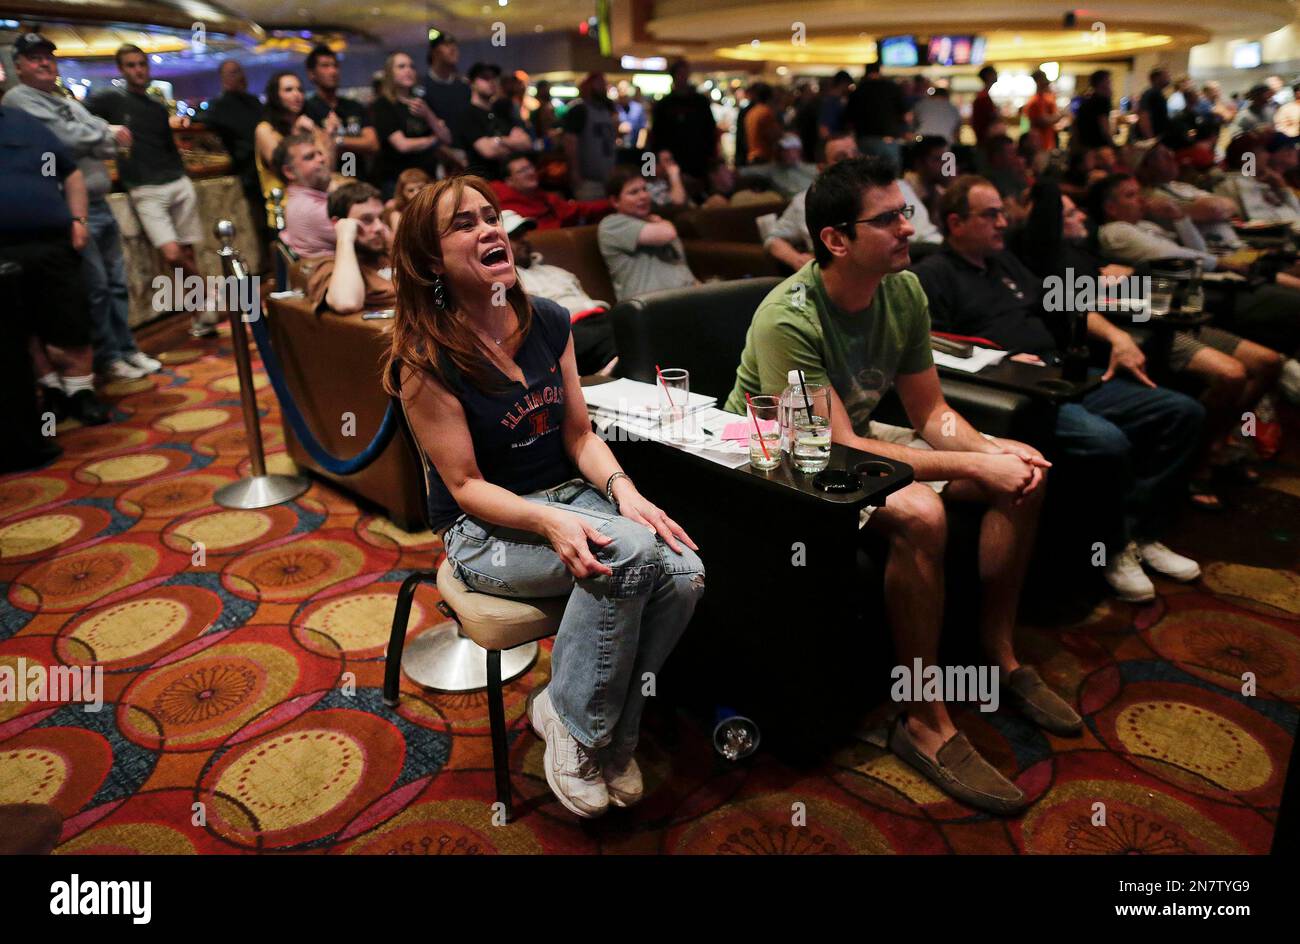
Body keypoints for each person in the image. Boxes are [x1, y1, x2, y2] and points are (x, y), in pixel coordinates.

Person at [725, 157, 1069, 814]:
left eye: (906, 212)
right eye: (889, 219)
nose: (909, 228)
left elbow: (929, 414)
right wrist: (974, 464)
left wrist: (991, 451)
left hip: (842, 437)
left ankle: (999, 655)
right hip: (775, 461)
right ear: (836, 239)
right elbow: (838, 447)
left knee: (1021, 470)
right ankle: (922, 720)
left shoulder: (902, 290)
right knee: (920, 514)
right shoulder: (788, 317)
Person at [385, 175, 704, 818]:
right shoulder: (424, 358)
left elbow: (580, 435)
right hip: (484, 530)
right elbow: (465, 486)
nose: (490, 229)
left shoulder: (547, 319)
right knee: (632, 555)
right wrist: (551, 521)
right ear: (429, 262)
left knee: (687, 573)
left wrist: (625, 491)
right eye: (464, 225)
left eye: (491, 216)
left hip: (564, 495)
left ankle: (600, 725)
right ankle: (578, 726)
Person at [915, 176, 1209, 601]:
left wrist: (1118, 338)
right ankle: (1112, 548)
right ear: (956, 223)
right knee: (1106, 442)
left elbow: (1065, 301)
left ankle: (1143, 533)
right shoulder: (933, 275)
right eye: (990, 214)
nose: (1003, 221)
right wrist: (1004, 363)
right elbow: (937, 354)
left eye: (1002, 211)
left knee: (1181, 412)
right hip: (1018, 395)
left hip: (1064, 376)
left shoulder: (1005, 262)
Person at [6, 32, 160, 381]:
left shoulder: (62, 98)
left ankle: (126, 349)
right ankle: (108, 357)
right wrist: (103, 134)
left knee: (116, 284)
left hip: (99, 202)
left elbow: (107, 146)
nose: (45, 62)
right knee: (97, 288)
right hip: (72, 209)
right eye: (34, 58)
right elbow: (67, 139)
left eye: (48, 56)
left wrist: (99, 136)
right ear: (18, 66)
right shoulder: (19, 100)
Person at [89, 44, 214, 339]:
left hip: (176, 181)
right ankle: (213, 294)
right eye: (131, 65)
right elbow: (75, 116)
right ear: (121, 69)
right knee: (172, 254)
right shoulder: (109, 99)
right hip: (144, 188)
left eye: (142, 64)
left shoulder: (157, 107)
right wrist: (109, 131)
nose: (138, 70)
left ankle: (202, 317)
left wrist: (182, 173)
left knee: (188, 252)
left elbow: (168, 146)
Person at [0, 102, 109, 429]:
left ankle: (81, 391)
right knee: (23, 325)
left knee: (69, 317)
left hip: (52, 241)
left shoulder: (24, 120)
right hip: (3, 250)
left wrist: (78, 218)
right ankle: (52, 390)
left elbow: (70, 172)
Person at [767, 133, 939, 270]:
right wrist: (797, 259)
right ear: (822, 168)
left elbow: (928, 236)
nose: (852, 161)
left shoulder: (894, 187)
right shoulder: (804, 201)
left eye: (855, 154)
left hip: (917, 261)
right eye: (841, 157)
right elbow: (773, 238)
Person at [504, 210, 618, 376]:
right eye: (514, 237)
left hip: (602, 317)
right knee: (625, 340)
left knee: (644, 324)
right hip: (569, 329)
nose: (524, 241)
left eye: (524, 235)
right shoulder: (508, 282)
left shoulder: (555, 271)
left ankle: (614, 367)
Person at [598, 166, 698, 302]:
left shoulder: (653, 222)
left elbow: (680, 266)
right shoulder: (612, 225)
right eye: (633, 192)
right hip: (649, 306)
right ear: (615, 201)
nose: (643, 196)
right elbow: (668, 233)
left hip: (685, 297)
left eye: (645, 189)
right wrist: (659, 222)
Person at [252, 71, 334, 232]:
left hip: (316, 204)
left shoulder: (308, 126)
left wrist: (328, 135)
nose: (297, 95)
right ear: (276, 96)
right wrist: (298, 132)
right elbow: (286, 169)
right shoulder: (265, 130)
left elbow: (327, 167)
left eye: (300, 90)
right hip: (284, 210)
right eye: (289, 90)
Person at [370, 50, 451, 199]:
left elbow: (446, 138)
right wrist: (433, 139)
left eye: (411, 66)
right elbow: (403, 145)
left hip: (427, 177)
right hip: (398, 182)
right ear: (390, 73)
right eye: (401, 66)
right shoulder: (383, 105)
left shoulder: (423, 101)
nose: (408, 70)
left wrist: (428, 114)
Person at [305, 182, 394, 315]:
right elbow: (347, 303)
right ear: (340, 224)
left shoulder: (390, 255)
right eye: (367, 220)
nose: (379, 227)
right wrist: (345, 238)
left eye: (380, 218)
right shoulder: (329, 267)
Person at [201, 60, 266, 242]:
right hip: (248, 173)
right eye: (233, 73)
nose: (240, 76)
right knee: (260, 226)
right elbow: (201, 122)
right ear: (223, 78)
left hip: (263, 169)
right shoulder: (219, 106)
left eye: (240, 71)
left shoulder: (253, 102)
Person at [304, 44, 379, 174]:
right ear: (312, 74)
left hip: (359, 179)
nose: (333, 71)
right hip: (328, 181)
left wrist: (337, 140)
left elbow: (372, 143)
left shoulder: (354, 106)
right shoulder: (307, 109)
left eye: (335, 66)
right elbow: (316, 149)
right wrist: (356, 143)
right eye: (325, 66)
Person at [491, 153, 609, 229]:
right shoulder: (498, 200)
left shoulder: (547, 198)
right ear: (509, 181)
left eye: (530, 167)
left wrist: (612, 204)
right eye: (522, 171)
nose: (530, 173)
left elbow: (578, 209)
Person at [456, 62, 531, 180]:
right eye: (485, 78)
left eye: (494, 78)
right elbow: (487, 151)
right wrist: (511, 142)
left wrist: (498, 141)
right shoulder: (468, 114)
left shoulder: (501, 110)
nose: (491, 81)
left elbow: (526, 143)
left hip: (509, 182)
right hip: (484, 182)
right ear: (472, 83)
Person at [647, 59, 717, 183]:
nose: (683, 78)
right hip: (674, 160)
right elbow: (657, 136)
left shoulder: (700, 102)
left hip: (699, 159)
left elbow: (710, 131)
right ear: (674, 77)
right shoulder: (664, 105)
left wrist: (712, 157)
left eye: (685, 74)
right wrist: (653, 166)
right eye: (680, 74)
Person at [274, 132, 337, 258]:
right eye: (309, 157)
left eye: (319, 153)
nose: (321, 159)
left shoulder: (301, 201)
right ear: (289, 171)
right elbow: (371, 236)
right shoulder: (312, 209)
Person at [562, 72, 619, 201]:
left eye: (604, 83)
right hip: (588, 180)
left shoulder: (606, 110)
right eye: (599, 83)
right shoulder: (579, 110)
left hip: (607, 179)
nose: (603, 87)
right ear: (587, 86)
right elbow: (570, 143)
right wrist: (575, 173)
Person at [1219, 132, 1300, 223]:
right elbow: (1259, 220)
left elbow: (1297, 213)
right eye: (1261, 151)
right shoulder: (1239, 183)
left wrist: (1282, 187)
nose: (1267, 155)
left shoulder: (1261, 181)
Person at [844, 61, 906, 170]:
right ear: (879, 71)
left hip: (865, 139)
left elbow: (849, 118)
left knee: (867, 176)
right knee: (891, 177)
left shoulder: (859, 90)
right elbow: (904, 115)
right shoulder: (891, 88)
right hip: (888, 139)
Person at [422, 29, 472, 155]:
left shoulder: (463, 86)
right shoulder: (422, 87)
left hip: (466, 151)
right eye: (446, 45)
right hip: (436, 154)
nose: (453, 49)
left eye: (454, 46)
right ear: (434, 52)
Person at [738, 133, 818, 200]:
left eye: (791, 150)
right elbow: (744, 171)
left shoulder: (813, 169)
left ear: (798, 151)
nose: (787, 154)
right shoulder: (773, 169)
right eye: (784, 150)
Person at [1022, 70, 1064, 152]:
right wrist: (1060, 115)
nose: (1047, 83)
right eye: (1044, 81)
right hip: (1038, 143)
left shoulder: (1045, 99)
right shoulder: (1035, 101)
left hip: (1046, 142)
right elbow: (1043, 120)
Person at [1073, 70, 1115, 151]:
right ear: (1102, 83)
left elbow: (1076, 124)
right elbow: (1104, 125)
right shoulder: (1103, 101)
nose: (1110, 84)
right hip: (1099, 146)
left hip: (1085, 146)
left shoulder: (1086, 101)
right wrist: (1112, 144)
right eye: (1109, 81)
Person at [386, 167, 431, 237]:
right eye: (410, 190)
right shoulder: (397, 214)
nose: (417, 193)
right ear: (402, 193)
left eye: (421, 188)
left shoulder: (435, 206)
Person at [743, 82, 781, 164]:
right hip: (764, 156)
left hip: (752, 155)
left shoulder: (752, 112)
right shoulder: (766, 112)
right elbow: (773, 135)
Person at [818, 70, 854, 141]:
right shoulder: (831, 102)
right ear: (843, 83)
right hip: (832, 144)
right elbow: (824, 131)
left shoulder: (831, 100)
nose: (848, 88)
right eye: (848, 85)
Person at [970, 65, 1001, 145]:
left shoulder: (983, 96)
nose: (996, 74)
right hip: (986, 141)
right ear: (988, 76)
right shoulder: (983, 98)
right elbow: (990, 118)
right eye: (994, 73)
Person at [1137, 68, 1171, 141]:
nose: (1169, 78)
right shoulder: (1151, 93)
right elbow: (1144, 115)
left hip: (1158, 137)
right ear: (1157, 78)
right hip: (1153, 138)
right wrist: (1150, 139)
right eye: (1166, 76)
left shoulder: (1158, 94)